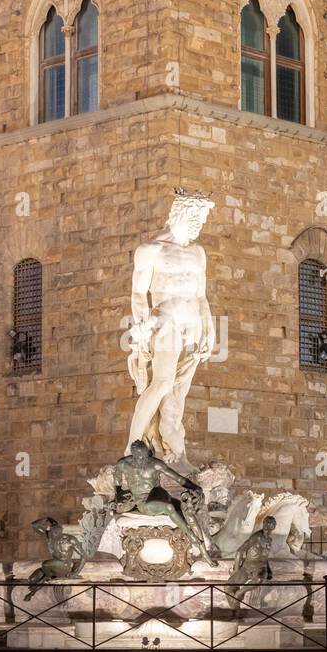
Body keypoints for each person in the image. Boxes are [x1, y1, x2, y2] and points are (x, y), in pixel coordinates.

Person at [126, 190, 216, 473]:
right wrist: (141, 327)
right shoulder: (150, 250)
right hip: (166, 324)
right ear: (180, 215)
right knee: (162, 383)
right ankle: (131, 446)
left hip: (193, 327)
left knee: (177, 397)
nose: (198, 227)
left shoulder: (198, 253)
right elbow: (139, 294)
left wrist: (209, 329)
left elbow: (201, 297)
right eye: (195, 221)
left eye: (201, 223)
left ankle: (176, 454)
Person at [112, 440, 214, 565]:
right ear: (133, 454)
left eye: (144, 455)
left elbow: (178, 478)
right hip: (143, 501)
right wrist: (118, 495)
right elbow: (117, 481)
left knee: (188, 511)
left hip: (158, 494)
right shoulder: (123, 464)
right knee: (169, 508)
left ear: (147, 452)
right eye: (138, 456)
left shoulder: (155, 464)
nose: (142, 459)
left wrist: (194, 487)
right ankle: (192, 537)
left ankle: (204, 552)